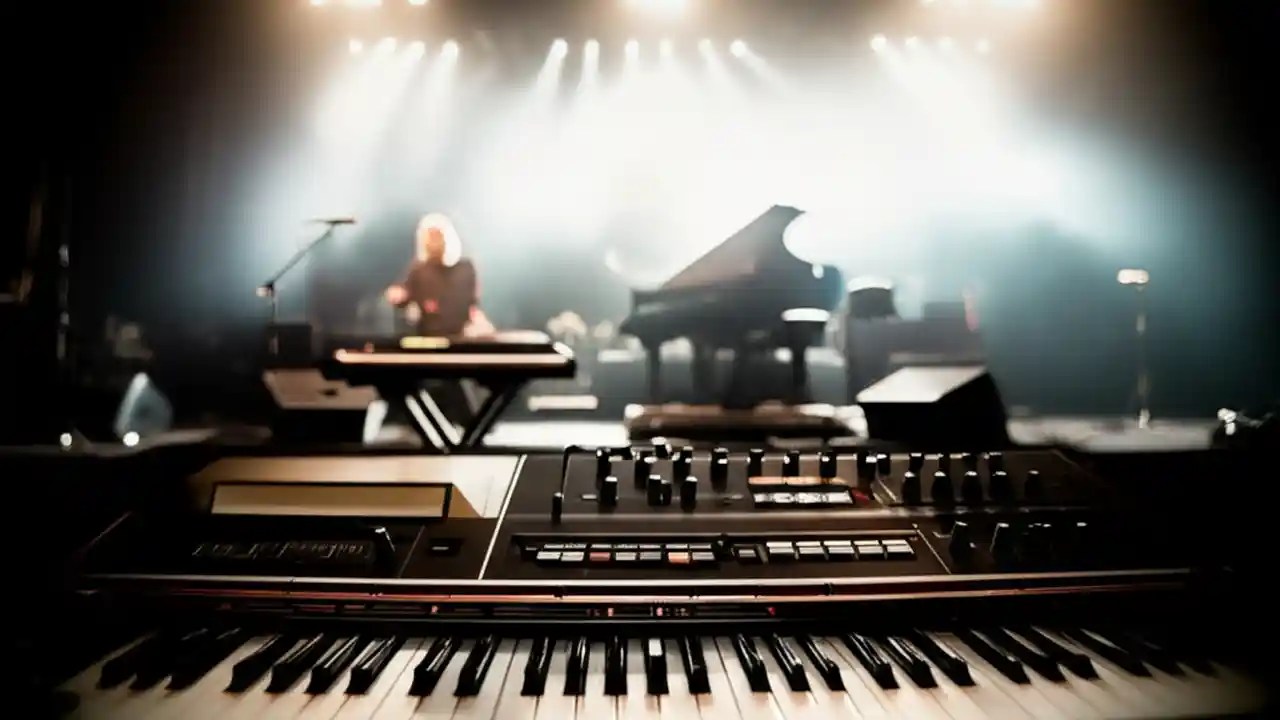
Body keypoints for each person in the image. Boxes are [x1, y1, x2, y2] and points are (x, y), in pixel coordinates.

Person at [385, 213, 494, 336]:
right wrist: (398, 295)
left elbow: (472, 303)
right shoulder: (419, 270)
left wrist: (477, 320)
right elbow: (406, 294)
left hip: (460, 337)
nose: (433, 242)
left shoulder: (466, 268)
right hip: (429, 338)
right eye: (429, 237)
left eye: (437, 236)